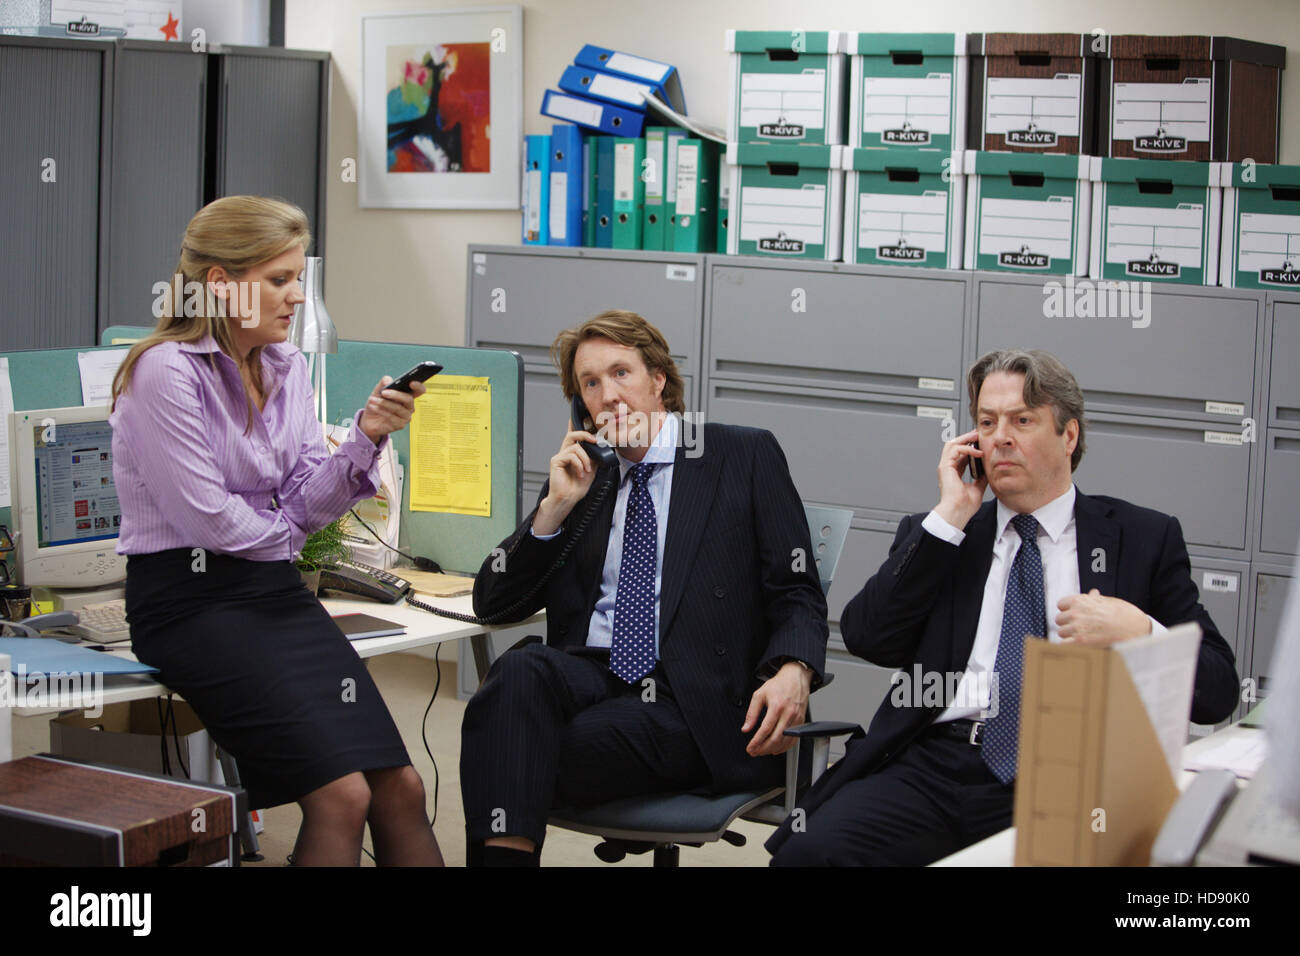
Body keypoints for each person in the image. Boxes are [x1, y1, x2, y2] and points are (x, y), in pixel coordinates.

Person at [767, 348, 1239, 866]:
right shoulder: (947, 535)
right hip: (934, 763)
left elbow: (1216, 691)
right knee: (811, 855)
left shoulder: (1142, 538)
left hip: (1069, 775)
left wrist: (1141, 629)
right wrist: (950, 516)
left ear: (1069, 436)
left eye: (1023, 420)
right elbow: (867, 637)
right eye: (987, 423)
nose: (1001, 437)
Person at [110, 196, 443, 867]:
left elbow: (308, 500)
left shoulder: (285, 367)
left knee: (399, 787)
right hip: (191, 603)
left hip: (273, 598)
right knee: (341, 795)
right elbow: (210, 519)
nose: (296, 297)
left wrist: (367, 436)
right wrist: (286, 531)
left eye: (299, 279)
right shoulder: (164, 372)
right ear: (220, 285)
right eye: (278, 280)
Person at [460, 310, 828, 865]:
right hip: (593, 672)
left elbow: (797, 591)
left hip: (693, 698)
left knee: (502, 738)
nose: (607, 395)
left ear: (658, 379)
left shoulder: (741, 454)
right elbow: (493, 601)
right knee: (517, 672)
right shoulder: (585, 475)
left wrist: (794, 671)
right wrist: (555, 506)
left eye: (621, 373)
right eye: (590, 383)